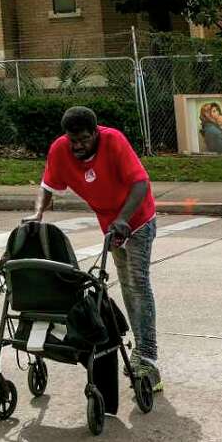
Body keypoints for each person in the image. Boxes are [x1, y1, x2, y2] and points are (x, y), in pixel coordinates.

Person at [30, 106, 161, 391]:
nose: (78, 146)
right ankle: (139, 349)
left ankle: (147, 357)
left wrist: (124, 219)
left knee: (137, 283)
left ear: (96, 133)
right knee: (126, 285)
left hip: (136, 219)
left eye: (85, 140)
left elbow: (140, 184)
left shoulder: (113, 141)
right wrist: (38, 213)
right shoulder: (60, 150)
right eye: (73, 140)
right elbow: (47, 186)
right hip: (111, 225)